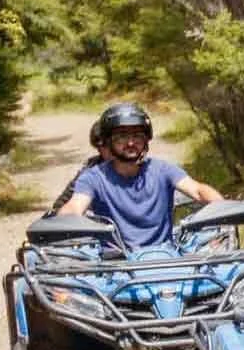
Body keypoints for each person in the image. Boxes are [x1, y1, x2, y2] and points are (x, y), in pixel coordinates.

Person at [57, 102, 224, 249]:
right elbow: (76, 205)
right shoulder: (93, 177)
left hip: (165, 258)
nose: (130, 143)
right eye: (121, 137)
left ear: (146, 140)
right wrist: (64, 221)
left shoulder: (163, 169)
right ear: (108, 141)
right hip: (114, 264)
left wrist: (223, 208)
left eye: (137, 136)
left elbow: (197, 190)